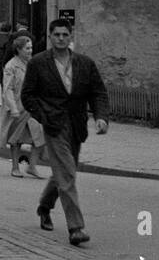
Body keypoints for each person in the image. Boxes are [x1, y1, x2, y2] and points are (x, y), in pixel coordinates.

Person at [21, 19, 109, 247]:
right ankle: (76, 228)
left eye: (65, 34)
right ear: (50, 36)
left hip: (77, 125)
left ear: (71, 36)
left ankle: (44, 206)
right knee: (67, 173)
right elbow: (28, 95)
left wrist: (100, 117)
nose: (61, 38)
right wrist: (44, 115)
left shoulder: (85, 64)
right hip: (53, 125)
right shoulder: (38, 63)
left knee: (63, 173)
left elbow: (98, 92)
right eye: (56, 34)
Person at [0, 35, 45, 179]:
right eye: (27, 48)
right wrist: (12, 107)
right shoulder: (11, 66)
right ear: (18, 49)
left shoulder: (34, 63)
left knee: (40, 136)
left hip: (33, 107)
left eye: (31, 48)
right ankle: (15, 167)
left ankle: (32, 166)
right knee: (16, 139)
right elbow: (8, 88)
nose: (30, 51)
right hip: (18, 107)